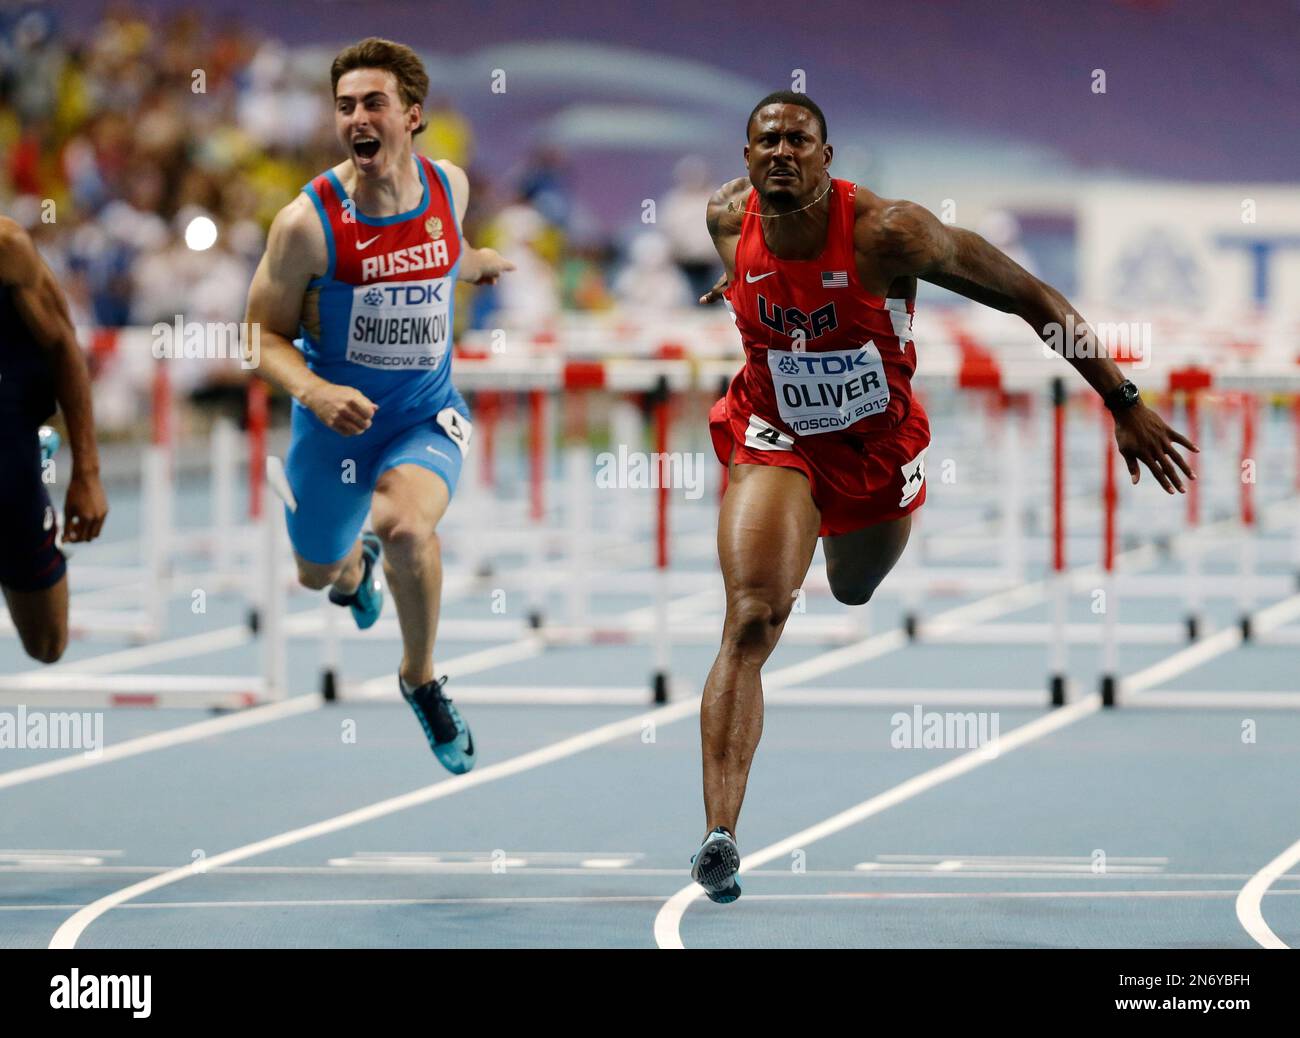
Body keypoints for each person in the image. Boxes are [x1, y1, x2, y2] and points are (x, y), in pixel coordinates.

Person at [692, 91, 1197, 902]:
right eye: (766, 142)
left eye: (798, 140)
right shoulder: (726, 220)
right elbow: (747, 274)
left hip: (875, 449)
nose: (781, 152)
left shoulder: (892, 232)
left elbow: (1032, 298)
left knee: (853, 587)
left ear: (827, 156)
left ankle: (835, 533)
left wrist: (1123, 399)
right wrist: (746, 296)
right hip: (773, 435)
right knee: (752, 617)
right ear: (746, 158)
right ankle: (720, 835)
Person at [244, 38, 512, 774]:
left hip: (424, 415)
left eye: (373, 103)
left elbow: (446, 249)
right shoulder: (307, 224)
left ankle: (420, 677)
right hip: (333, 429)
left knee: (402, 526)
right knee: (314, 574)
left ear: (412, 116)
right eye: (345, 107)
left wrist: (477, 263)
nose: (357, 118)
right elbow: (258, 335)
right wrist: (315, 390)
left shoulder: (447, 185)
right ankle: (351, 573)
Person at [0, 217, 109, 663]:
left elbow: (64, 345)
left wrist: (87, 473)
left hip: (7, 448)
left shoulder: (7, 247)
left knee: (47, 642)